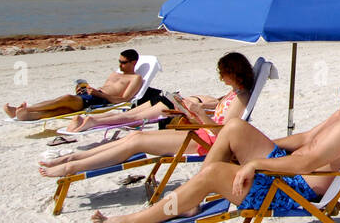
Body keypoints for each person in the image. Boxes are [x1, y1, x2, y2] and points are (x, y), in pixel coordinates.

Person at [91, 65, 340, 223]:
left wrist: (254, 164)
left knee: (214, 172)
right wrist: (261, 142)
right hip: (290, 171)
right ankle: (191, 199)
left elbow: (308, 160)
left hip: (295, 189)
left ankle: (131, 222)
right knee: (235, 127)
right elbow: (305, 138)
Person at [38, 52, 254, 177]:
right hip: (199, 132)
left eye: (222, 73)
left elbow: (222, 132)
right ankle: (72, 157)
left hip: (204, 142)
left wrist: (198, 112)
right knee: (133, 137)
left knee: (137, 142)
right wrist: (192, 111)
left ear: (232, 72)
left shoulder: (241, 97)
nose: (220, 78)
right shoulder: (233, 92)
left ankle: (72, 166)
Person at [5, 50, 144, 121]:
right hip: (92, 95)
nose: (120, 65)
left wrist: (98, 94)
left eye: (124, 62)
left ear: (133, 63)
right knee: (64, 109)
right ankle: (30, 115)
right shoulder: (115, 73)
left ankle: (26, 108)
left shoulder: (135, 78)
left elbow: (125, 99)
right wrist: (87, 89)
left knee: (65, 98)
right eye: (119, 61)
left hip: (100, 100)